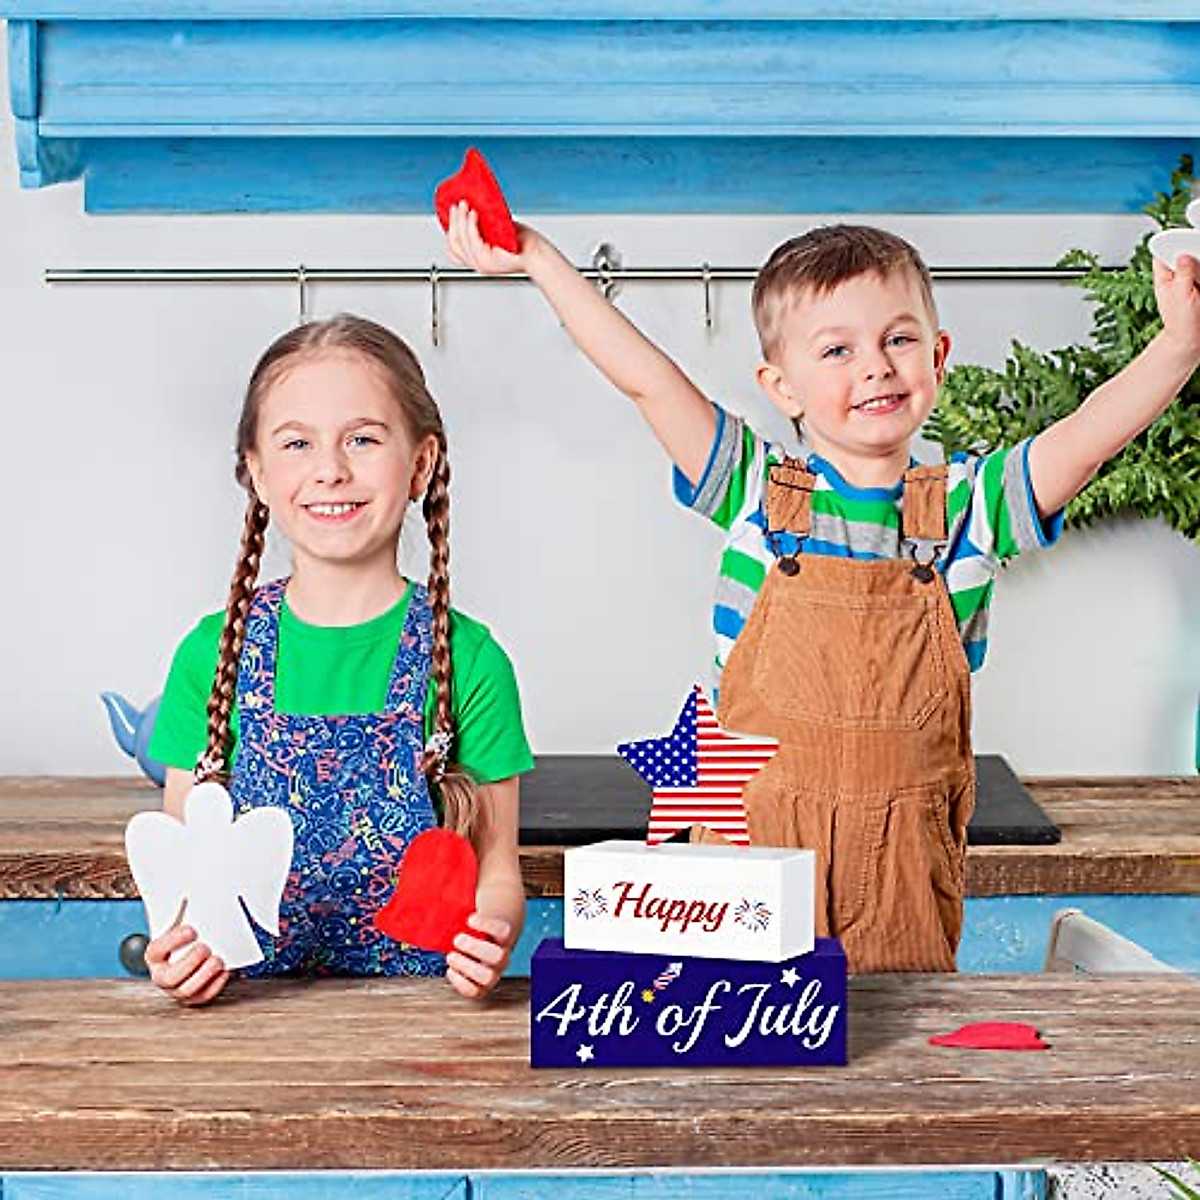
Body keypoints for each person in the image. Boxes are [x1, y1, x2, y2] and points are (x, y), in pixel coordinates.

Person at [445, 204, 1200, 973]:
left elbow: (1088, 437)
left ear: (938, 356)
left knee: (899, 1043)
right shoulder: (754, 487)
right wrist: (541, 259)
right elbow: (648, 382)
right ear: (782, 387)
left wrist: (1179, 345)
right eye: (837, 349)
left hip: (904, 870)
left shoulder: (971, 509)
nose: (875, 366)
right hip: (748, 857)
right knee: (743, 1039)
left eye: (898, 339)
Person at [144, 314, 534, 1004]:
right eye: (298, 443)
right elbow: (183, 875)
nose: (330, 470)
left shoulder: (470, 660)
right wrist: (179, 953)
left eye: (363, 439)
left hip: (419, 1022)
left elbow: (498, 868)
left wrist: (492, 931)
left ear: (421, 465)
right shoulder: (210, 654)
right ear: (258, 474)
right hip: (245, 1023)